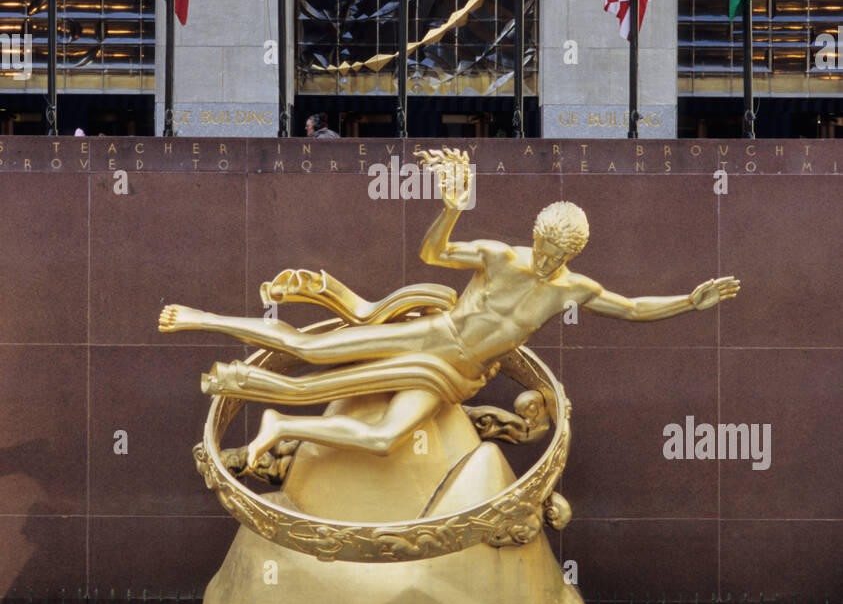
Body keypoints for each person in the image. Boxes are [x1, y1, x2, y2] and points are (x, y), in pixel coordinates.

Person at [160, 149, 740, 466]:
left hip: (455, 377)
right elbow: (431, 252)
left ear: (573, 253)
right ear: (534, 236)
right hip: (429, 338)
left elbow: (634, 308)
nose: (543, 258)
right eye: (541, 245)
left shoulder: (573, 290)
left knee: (387, 438)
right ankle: (201, 318)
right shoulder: (497, 255)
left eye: (556, 253)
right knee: (309, 347)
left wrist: (690, 303)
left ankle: (281, 423)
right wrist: (452, 208)